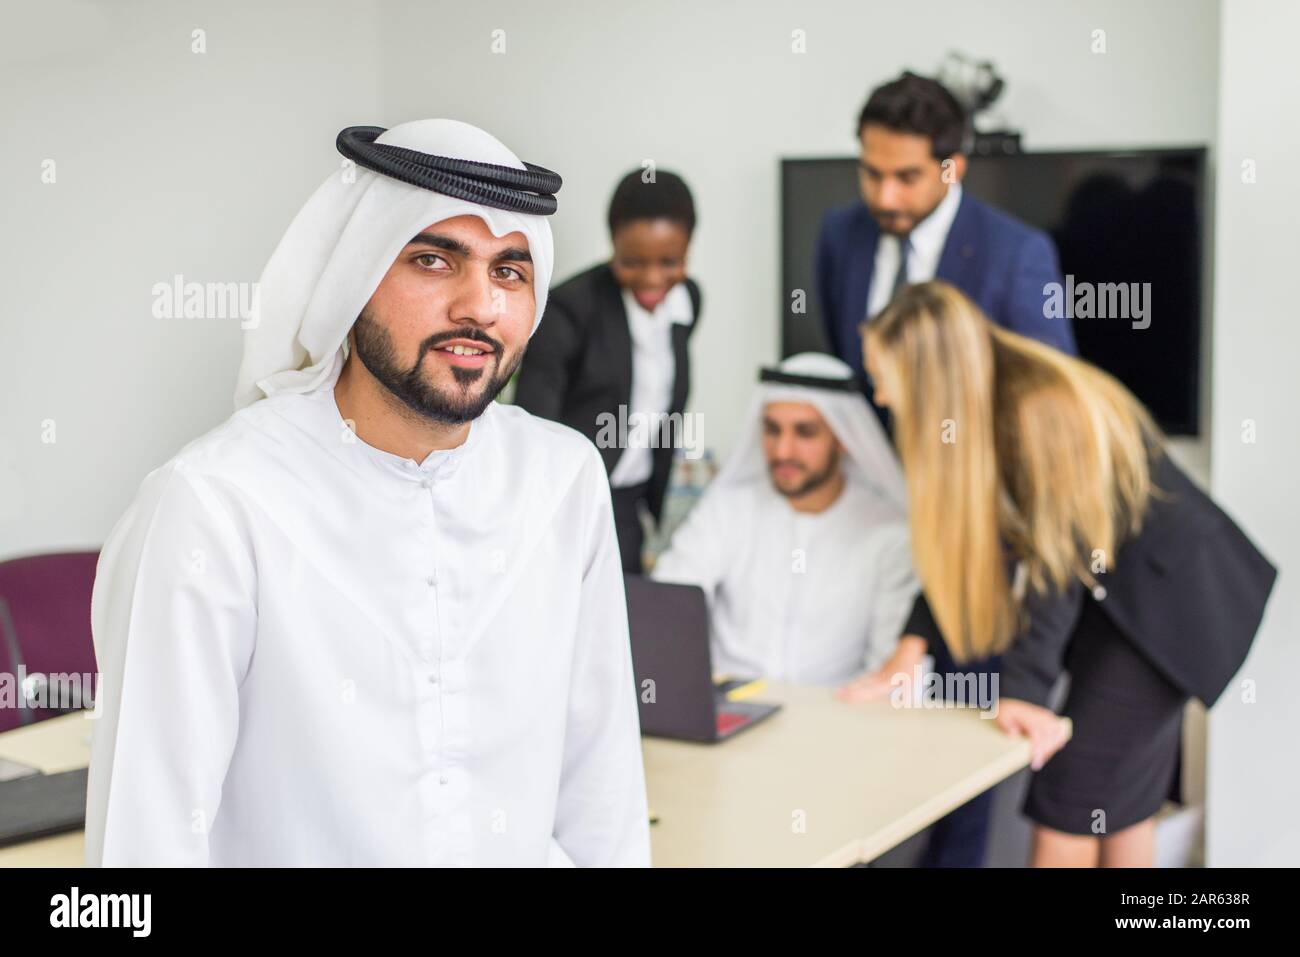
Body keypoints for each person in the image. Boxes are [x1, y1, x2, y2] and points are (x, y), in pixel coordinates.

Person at [85, 120, 651, 867]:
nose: (480, 306)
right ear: (353, 278)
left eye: (509, 271)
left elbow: (601, 798)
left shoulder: (562, 480)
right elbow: (145, 845)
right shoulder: (215, 505)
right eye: (433, 260)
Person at [843, 280, 1277, 867]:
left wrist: (1025, 695)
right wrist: (908, 652)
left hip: (1175, 601)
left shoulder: (1034, 405)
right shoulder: (982, 405)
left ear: (926, 373)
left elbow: (1055, 561)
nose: (881, 396)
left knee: (1070, 800)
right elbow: (976, 547)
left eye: (883, 378)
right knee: (1119, 803)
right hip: (1127, 594)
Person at [816, 71, 1077, 422]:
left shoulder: (1017, 254)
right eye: (872, 174)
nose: (885, 198)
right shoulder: (840, 235)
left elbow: (1050, 389)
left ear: (952, 170)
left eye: (907, 178)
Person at [652, 353, 916, 685]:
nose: (782, 451)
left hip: (839, 719)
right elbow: (668, 600)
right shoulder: (729, 507)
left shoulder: (888, 531)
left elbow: (891, 668)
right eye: (773, 430)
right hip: (730, 708)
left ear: (843, 440)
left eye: (805, 433)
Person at [514, 169, 702, 573]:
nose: (653, 278)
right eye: (632, 261)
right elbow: (532, 426)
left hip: (631, 502)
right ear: (612, 244)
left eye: (670, 261)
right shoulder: (567, 310)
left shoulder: (687, 302)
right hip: (568, 501)